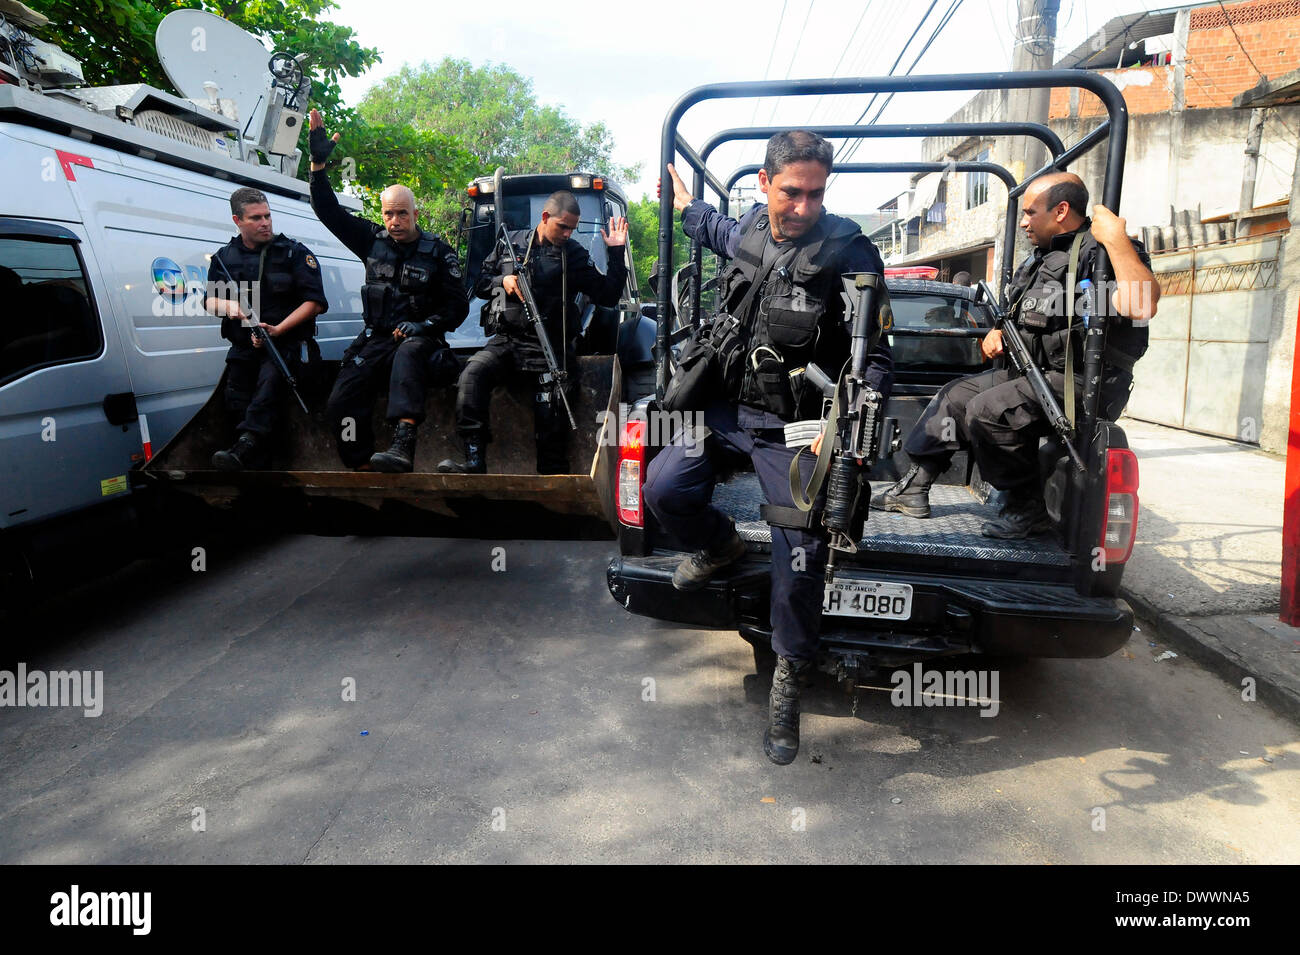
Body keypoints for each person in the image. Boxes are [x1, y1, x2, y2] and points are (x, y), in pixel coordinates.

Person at [645, 131, 892, 766]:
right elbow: (712, 228)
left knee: (802, 552)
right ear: (764, 182)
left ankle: (788, 674)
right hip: (727, 409)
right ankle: (717, 544)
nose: (804, 206)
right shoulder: (751, 230)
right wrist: (680, 204)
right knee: (664, 486)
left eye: (816, 193)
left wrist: (860, 425)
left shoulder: (848, 248)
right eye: (792, 192)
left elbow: (875, 351)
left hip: (796, 426)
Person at [872, 172, 1159, 537]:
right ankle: (915, 488)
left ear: (1061, 210)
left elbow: (1141, 304)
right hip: (1033, 373)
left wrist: (1117, 241)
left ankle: (1028, 507)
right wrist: (999, 331)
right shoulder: (1044, 257)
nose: (1023, 221)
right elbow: (1028, 312)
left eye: (1030, 212)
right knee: (956, 396)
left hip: (1077, 384)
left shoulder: (1098, 253)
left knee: (989, 411)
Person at [306, 109, 468, 472]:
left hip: (421, 341)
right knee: (339, 405)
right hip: (375, 340)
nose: (395, 222)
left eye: (402, 214)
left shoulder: (439, 252)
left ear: (415, 213)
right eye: (389, 214)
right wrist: (318, 166)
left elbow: (457, 310)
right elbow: (329, 212)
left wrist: (424, 326)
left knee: (409, 352)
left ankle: (403, 445)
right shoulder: (370, 240)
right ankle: (361, 467)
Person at [436, 192, 629, 475]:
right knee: (471, 375)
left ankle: (553, 481)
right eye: (562, 226)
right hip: (508, 342)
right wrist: (503, 280)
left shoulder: (573, 254)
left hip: (551, 348)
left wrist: (615, 252)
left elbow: (608, 295)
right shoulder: (509, 243)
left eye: (572, 228)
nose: (567, 233)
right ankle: (473, 459)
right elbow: (480, 284)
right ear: (545, 218)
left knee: (551, 418)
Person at [205, 187, 328, 470]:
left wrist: (278, 329)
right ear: (238, 220)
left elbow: (315, 302)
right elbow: (209, 301)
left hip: (286, 348)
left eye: (268, 216)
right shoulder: (225, 258)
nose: (265, 223)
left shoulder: (292, 253)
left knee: (269, 387)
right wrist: (231, 309)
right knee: (236, 404)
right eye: (256, 218)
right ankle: (245, 456)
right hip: (244, 351)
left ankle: (247, 445)